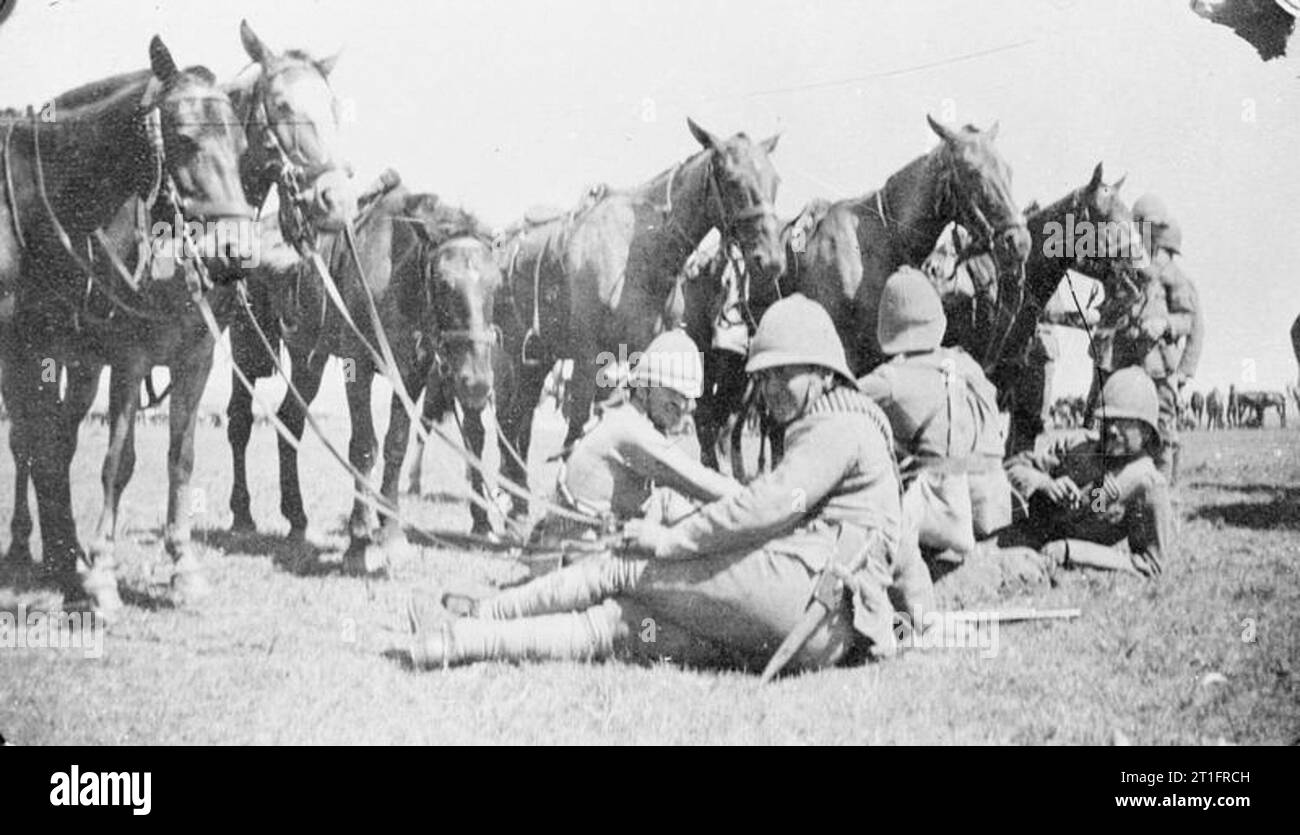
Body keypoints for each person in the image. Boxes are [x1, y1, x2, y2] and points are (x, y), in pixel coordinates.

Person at [395, 294, 931, 672]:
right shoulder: (858, 426)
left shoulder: (836, 428)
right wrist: (913, 620)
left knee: (623, 568)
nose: (766, 390)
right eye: (761, 377)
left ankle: (477, 614)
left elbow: (768, 506)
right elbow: (899, 534)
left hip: (801, 604)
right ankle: (459, 641)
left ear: (820, 370)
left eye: (777, 374)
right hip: (815, 632)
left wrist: (672, 542)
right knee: (624, 625)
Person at [858, 267, 1011, 564]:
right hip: (994, 504)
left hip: (948, 512)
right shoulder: (966, 364)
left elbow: (838, 402)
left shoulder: (891, 379)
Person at [535, 328, 740, 543]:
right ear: (643, 389)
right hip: (576, 557)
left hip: (578, 540)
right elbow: (699, 480)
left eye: (686, 396)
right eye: (673, 393)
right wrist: (762, 499)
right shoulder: (631, 430)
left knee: (668, 503)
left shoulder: (625, 416)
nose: (683, 405)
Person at [1000, 367, 1177, 578]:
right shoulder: (1076, 444)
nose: (1111, 429)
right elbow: (1012, 467)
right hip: (1021, 533)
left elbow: (1150, 566)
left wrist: (1071, 551)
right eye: (1107, 420)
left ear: (1146, 431)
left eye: (1122, 423)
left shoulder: (1146, 484)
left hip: (1048, 552)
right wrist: (1045, 484)